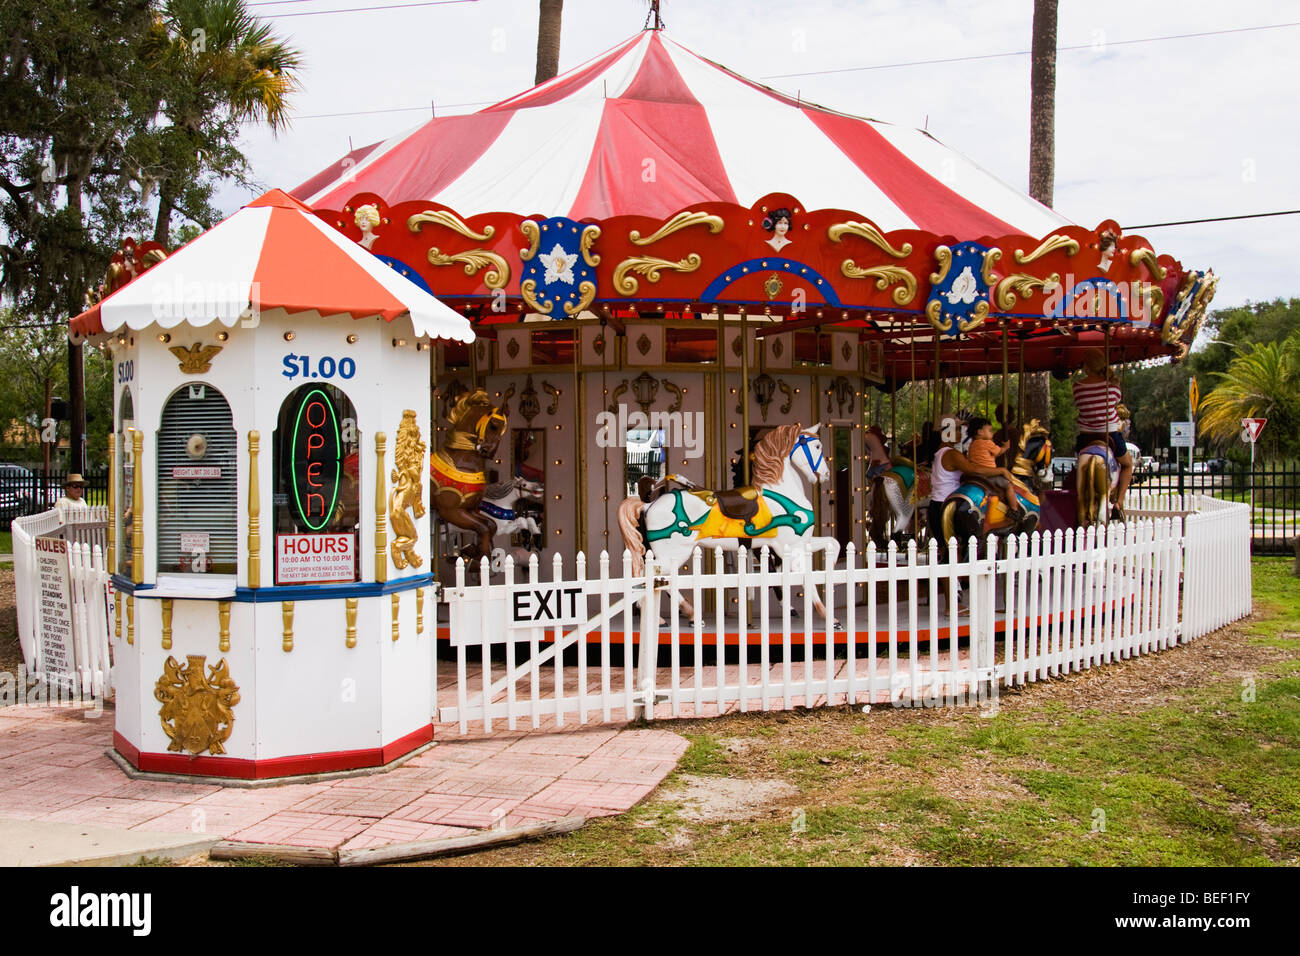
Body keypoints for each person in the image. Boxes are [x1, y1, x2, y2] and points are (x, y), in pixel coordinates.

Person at [1072, 348, 1134, 519]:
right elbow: (1116, 402)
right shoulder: (1112, 386)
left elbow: (1079, 405)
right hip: (1109, 434)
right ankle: (1119, 502)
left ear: (1087, 366)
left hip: (1086, 437)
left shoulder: (1078, 387)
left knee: (1077, 464)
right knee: (1128, 465)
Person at [965, 416, 1025, 521]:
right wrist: (1005, 447)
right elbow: (998, 452)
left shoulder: (972, 445)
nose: (992, 433)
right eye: (990, 430)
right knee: (1009, 485)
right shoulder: (987, 443)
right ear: (980, 432)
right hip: (990, 475)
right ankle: (1014, 510)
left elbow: (989, 456)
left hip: (976, 476)